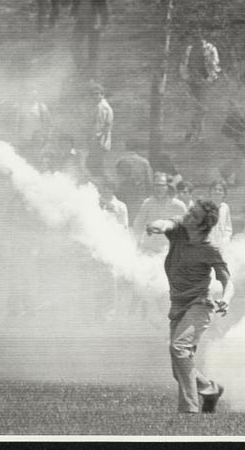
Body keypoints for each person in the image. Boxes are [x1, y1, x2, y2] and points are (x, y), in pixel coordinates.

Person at [146, 199, 234, 414]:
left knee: (179, 348)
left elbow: (227, 281)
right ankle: (210, 389)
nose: (188, 216)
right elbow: (166, 224)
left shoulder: (210, 248)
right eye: (189, 212)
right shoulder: (179, 229)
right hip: (178, 305)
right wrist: (156, 226)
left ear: (203, 225)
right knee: (180, 370)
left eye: (194, 216)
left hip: (200, 305)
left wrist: (226, 300)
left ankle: (189, 410)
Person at [179, 33, 221, 143]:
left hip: (204, 83)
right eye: (196, 37)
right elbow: (184, 64)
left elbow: (214, 66)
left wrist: (210, 80)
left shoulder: (211, 49)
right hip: (192, 82)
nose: (198, 39)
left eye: (200, 38)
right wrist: (186, 78)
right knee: (195, 109)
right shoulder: (190, 49)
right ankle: (193, 134)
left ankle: (195, 134)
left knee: (201, 109)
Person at [97, 177, 128, 319]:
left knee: (111, 278)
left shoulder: (120, 206)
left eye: (108, 188)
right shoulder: (94, 203)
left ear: (113, 190)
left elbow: (124, 227)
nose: (105, 191)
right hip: (96, 244)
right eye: (104, 188)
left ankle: (111, 310)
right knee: (97, 277)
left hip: (112, 244)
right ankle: (97, 308)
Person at [132, 173, 187, 253]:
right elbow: (138, 225)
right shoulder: (147, 203)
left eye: (162, 185)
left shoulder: (179, 206)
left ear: (168, 186)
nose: (159, 189)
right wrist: (138, 242)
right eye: (156, 185)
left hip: (169, 251)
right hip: (149, 250)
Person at [71, 0, 109, 75]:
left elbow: (104, 10)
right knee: (74, 45)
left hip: (94, 22)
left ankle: (92, 72)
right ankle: (82, 66)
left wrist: (103, 25)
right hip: (81, 22)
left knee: (93, 49)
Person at [115, 140, 154, 223]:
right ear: (137, 149)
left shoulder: (121, 161)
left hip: (123, 193)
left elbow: (117, 179)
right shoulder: (144, 162)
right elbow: (149, 181)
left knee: (124, 216)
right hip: (139, 194)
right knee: (138, 218)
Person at [85, 83, 114, 177]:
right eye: (93, 94)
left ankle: (102, 187)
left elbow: (104, 126)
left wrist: (100, 140)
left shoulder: (102, 107)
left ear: (102, 94)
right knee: (93, 165)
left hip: (99, 140)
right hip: (96, 140)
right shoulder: (96, 105)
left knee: (95, 166)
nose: (96, 96)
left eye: (98, 94)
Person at [206, 180, 233, 246]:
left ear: (224, 194)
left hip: (222, 246)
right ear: (210, 192)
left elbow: (228, 227)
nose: (217, 192)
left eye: (220, 190)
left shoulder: (225, 207)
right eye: (215, 189)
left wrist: (226, 239)